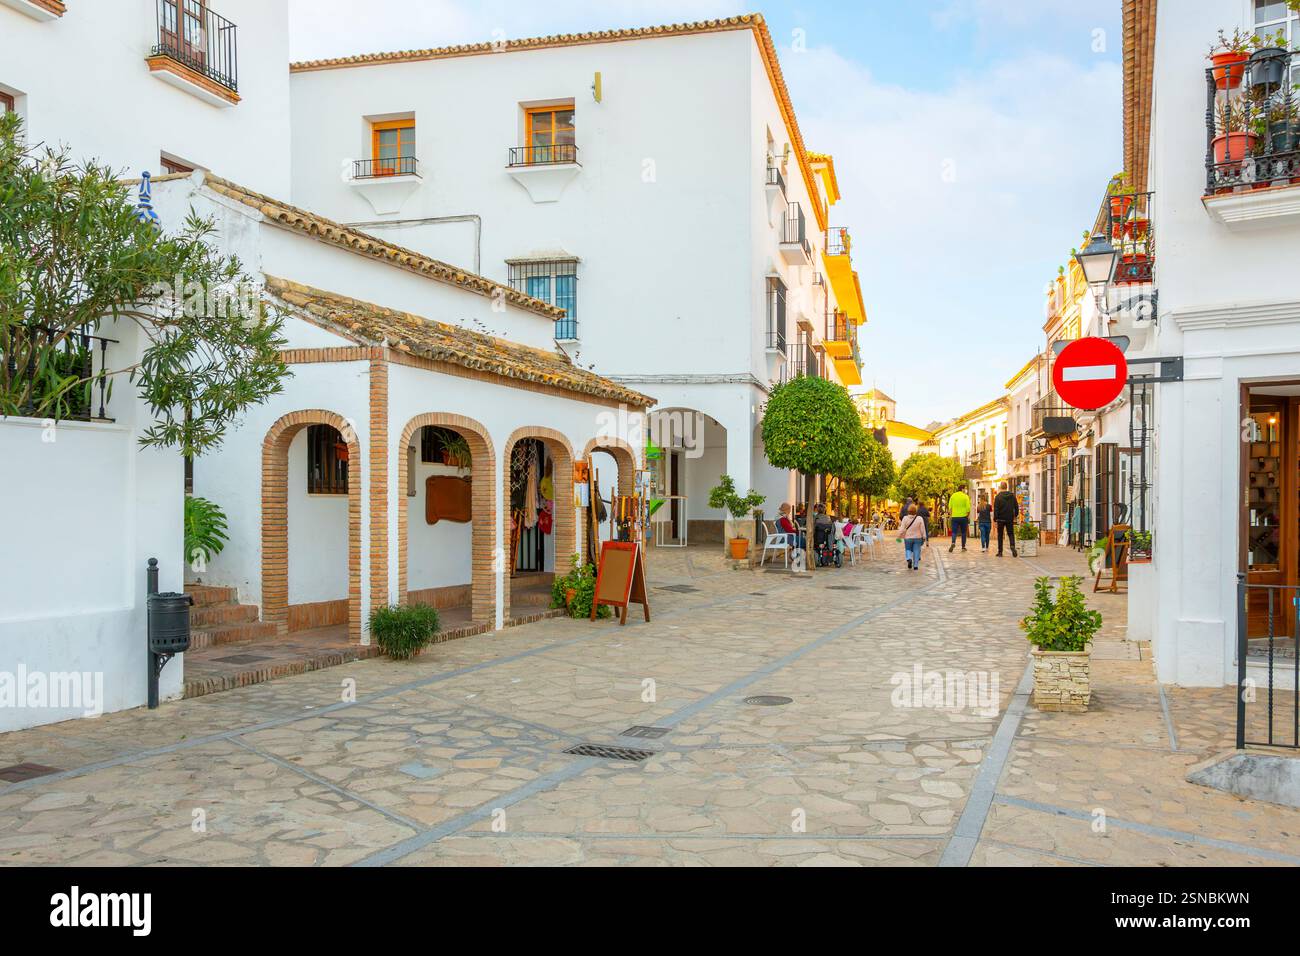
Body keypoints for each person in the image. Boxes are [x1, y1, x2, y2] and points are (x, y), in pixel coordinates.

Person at [993, 481, 1020, 557]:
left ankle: (1000, 552)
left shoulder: (998, 497)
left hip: (1000, 519)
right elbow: (1016, 506)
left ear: (1001, 487)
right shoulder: (1012, 496)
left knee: (1000, 535)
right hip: (1009, 518)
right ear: (1007, 487)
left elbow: (996, 509)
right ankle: (1012, 546)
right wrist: (1015, 515)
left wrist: (995, 519)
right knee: (1011, 533)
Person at [898, 503, 926, 571]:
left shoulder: (905, 518)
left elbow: (902, 529)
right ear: (916, 511)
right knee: (917, 551)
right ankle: (915, 566)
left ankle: (909, 559)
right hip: (918, 538)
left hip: (908, 538)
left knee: (908, 549)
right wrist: (924, 536)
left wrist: (900, 535)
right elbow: (922, 528)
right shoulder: (920, 518)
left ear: (908, 511)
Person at [948, 488, 971, 553]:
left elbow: (950, 507)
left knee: (954, 531)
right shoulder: (965, 496)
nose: (965, 490)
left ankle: (953, 542)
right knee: (963, 532)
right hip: (963, 517)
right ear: (962, 489)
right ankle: (963, 547)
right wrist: (967, 515)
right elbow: (968, 508)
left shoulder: (953, 496)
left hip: (955, 517)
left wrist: (951, 515)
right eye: (965, 489)